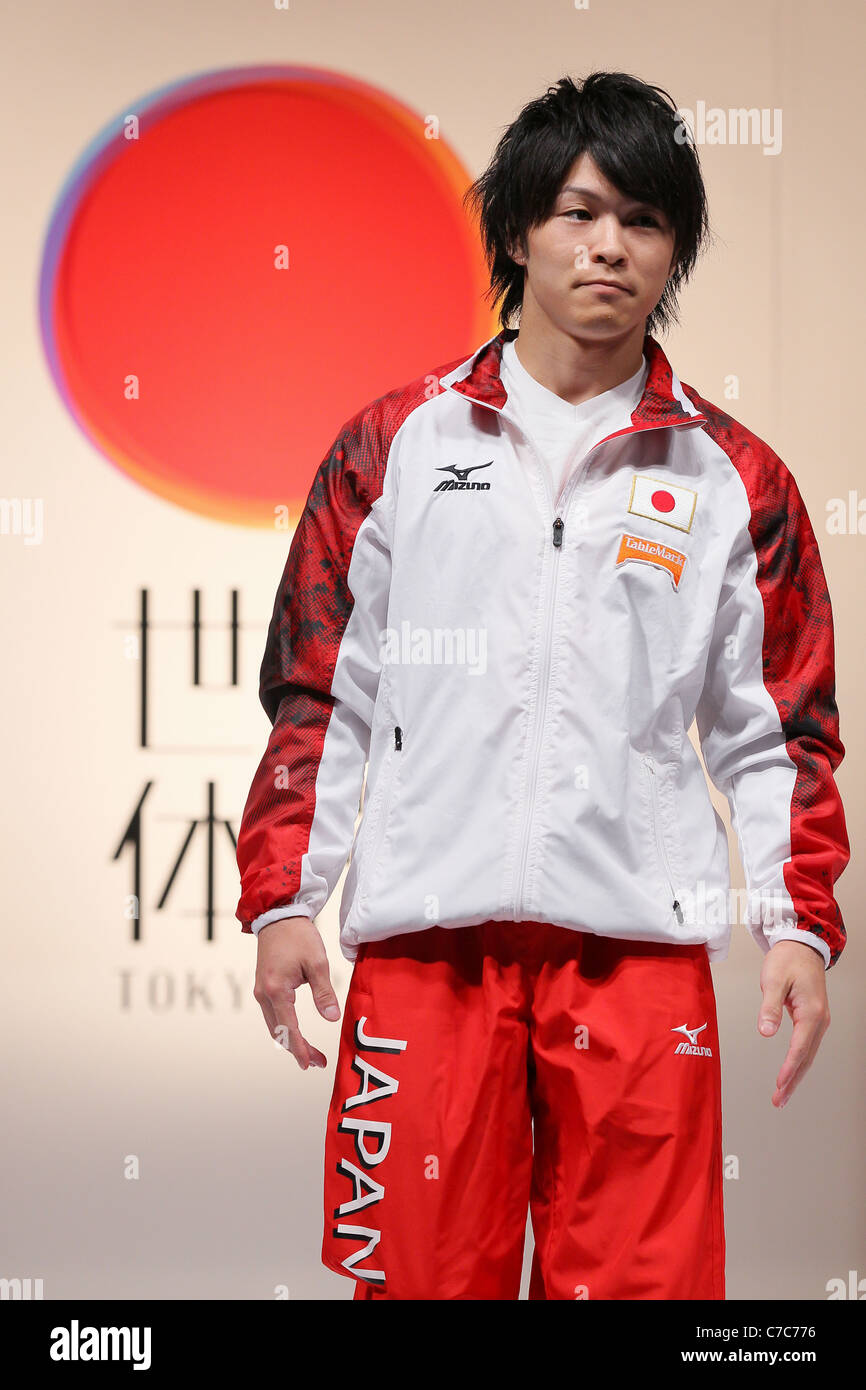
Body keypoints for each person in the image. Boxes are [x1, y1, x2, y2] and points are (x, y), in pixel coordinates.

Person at [234, 71, 849, 1300]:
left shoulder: (737, 479)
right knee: (415, 1288)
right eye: (575, 213)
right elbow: (321, 691)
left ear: (672, 248)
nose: (608, 247)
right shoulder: (394, 446)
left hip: (634, 959)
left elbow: (775, 729)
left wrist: (796, 925)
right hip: (425, 947)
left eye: (641, 220)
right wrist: (284, 901)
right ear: (517, 230)